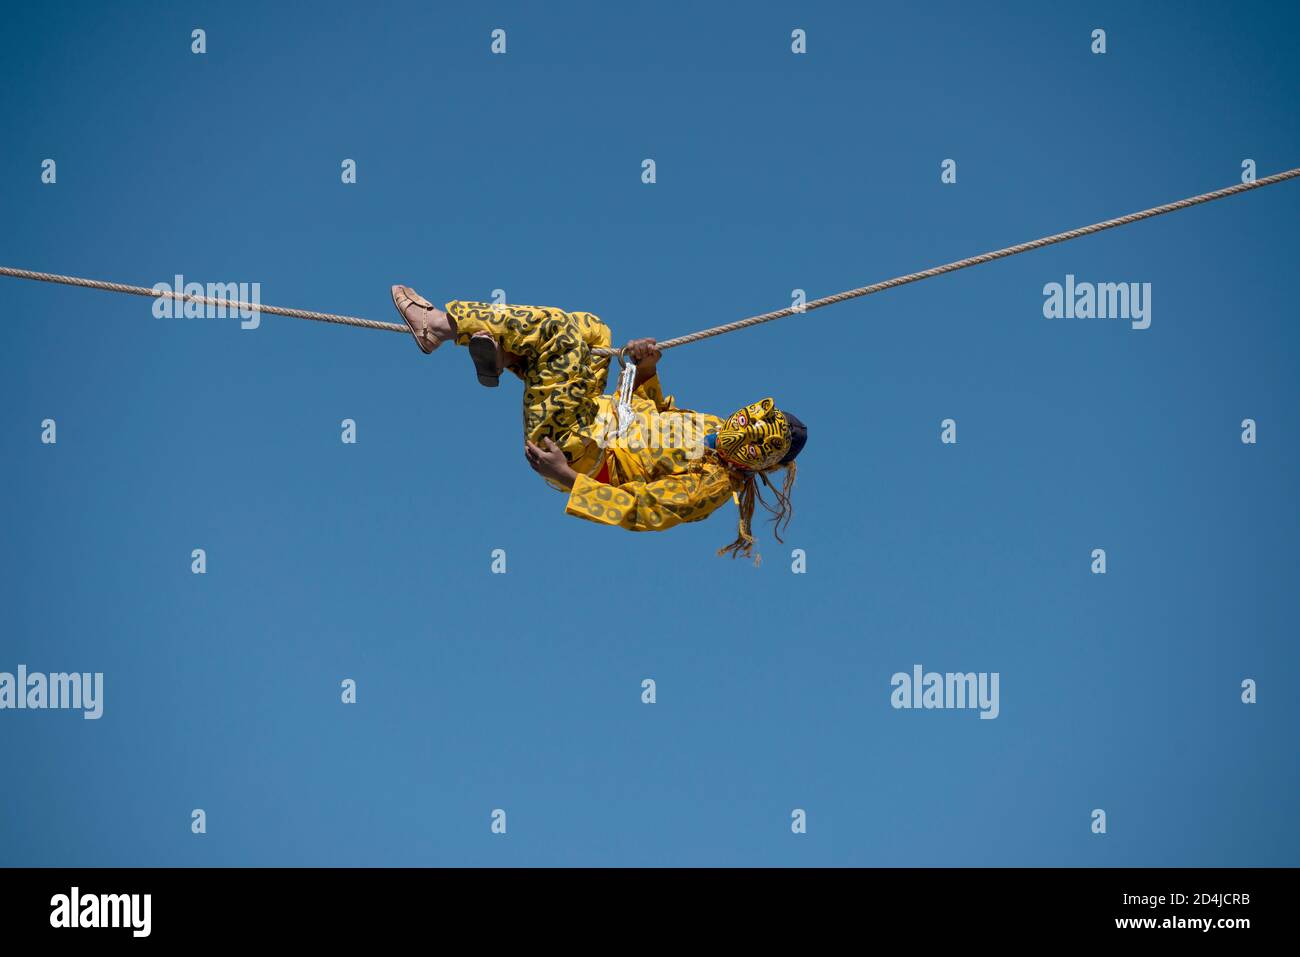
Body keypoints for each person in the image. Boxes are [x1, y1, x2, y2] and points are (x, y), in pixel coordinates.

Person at [390, 286, 807, 561]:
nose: (747, 430)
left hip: (573, 448)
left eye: (760, 442)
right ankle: (508, 357)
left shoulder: (710, 486)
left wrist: (569, 479)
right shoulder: (712, 426)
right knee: (593, 331)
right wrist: (646, 366)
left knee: (560, 335)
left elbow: (640, 511)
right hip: (591, 413)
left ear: (764, 463)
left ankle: (438, 327)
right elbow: (649, 414)